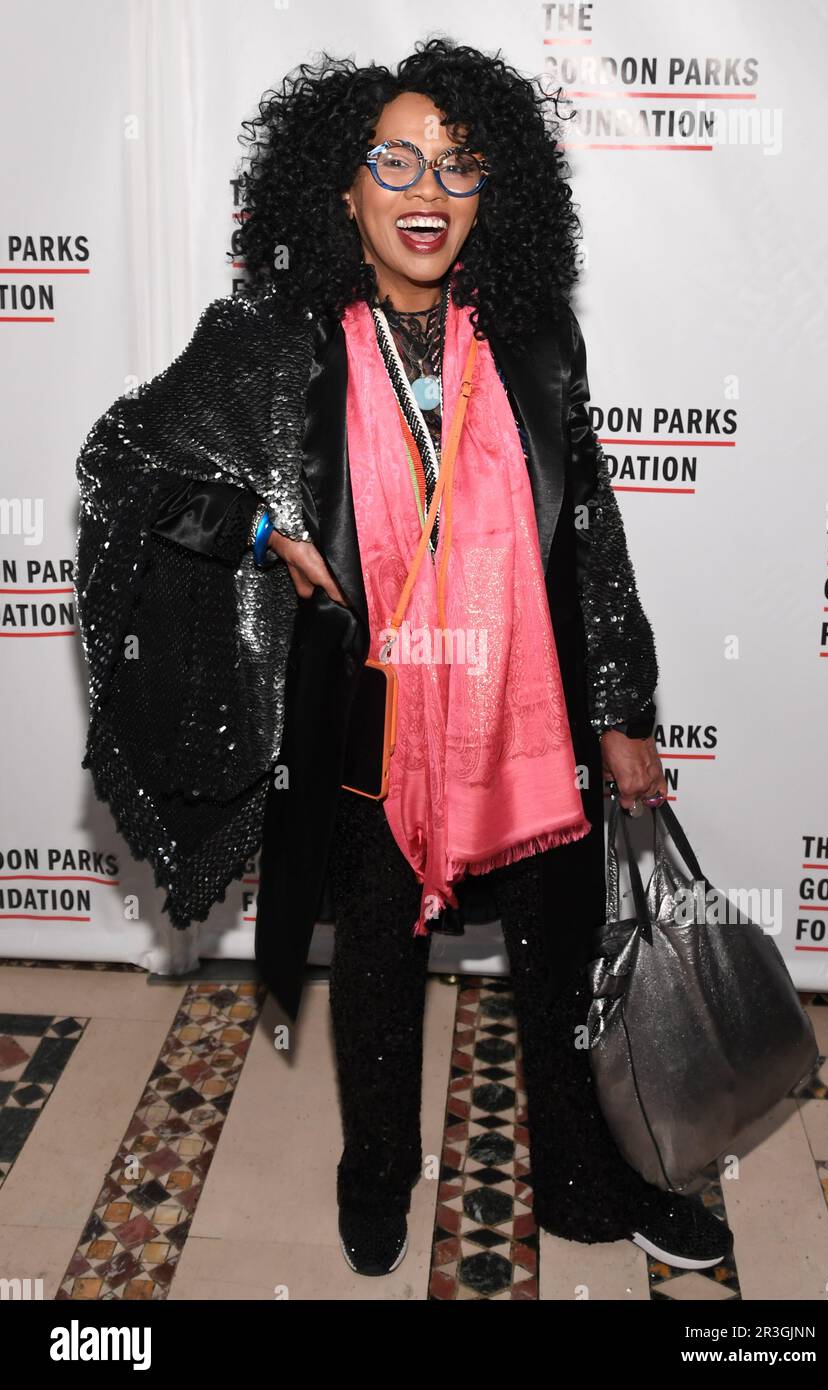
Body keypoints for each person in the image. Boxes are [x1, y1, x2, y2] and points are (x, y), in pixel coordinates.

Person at [74, 37, 734, 1282]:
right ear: (340, 187)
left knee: (561, 968)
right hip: (371, 724)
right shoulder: (279, 346)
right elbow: (125, 463)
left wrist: (622, 707)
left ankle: (591, 1187)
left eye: (457, 164)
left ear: (495, 193)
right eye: (393, 162)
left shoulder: (532, 340)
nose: (424, 191)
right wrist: (263, 530)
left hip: (523, 716)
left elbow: (588, 529)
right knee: (376, 968)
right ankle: (375, 1172)